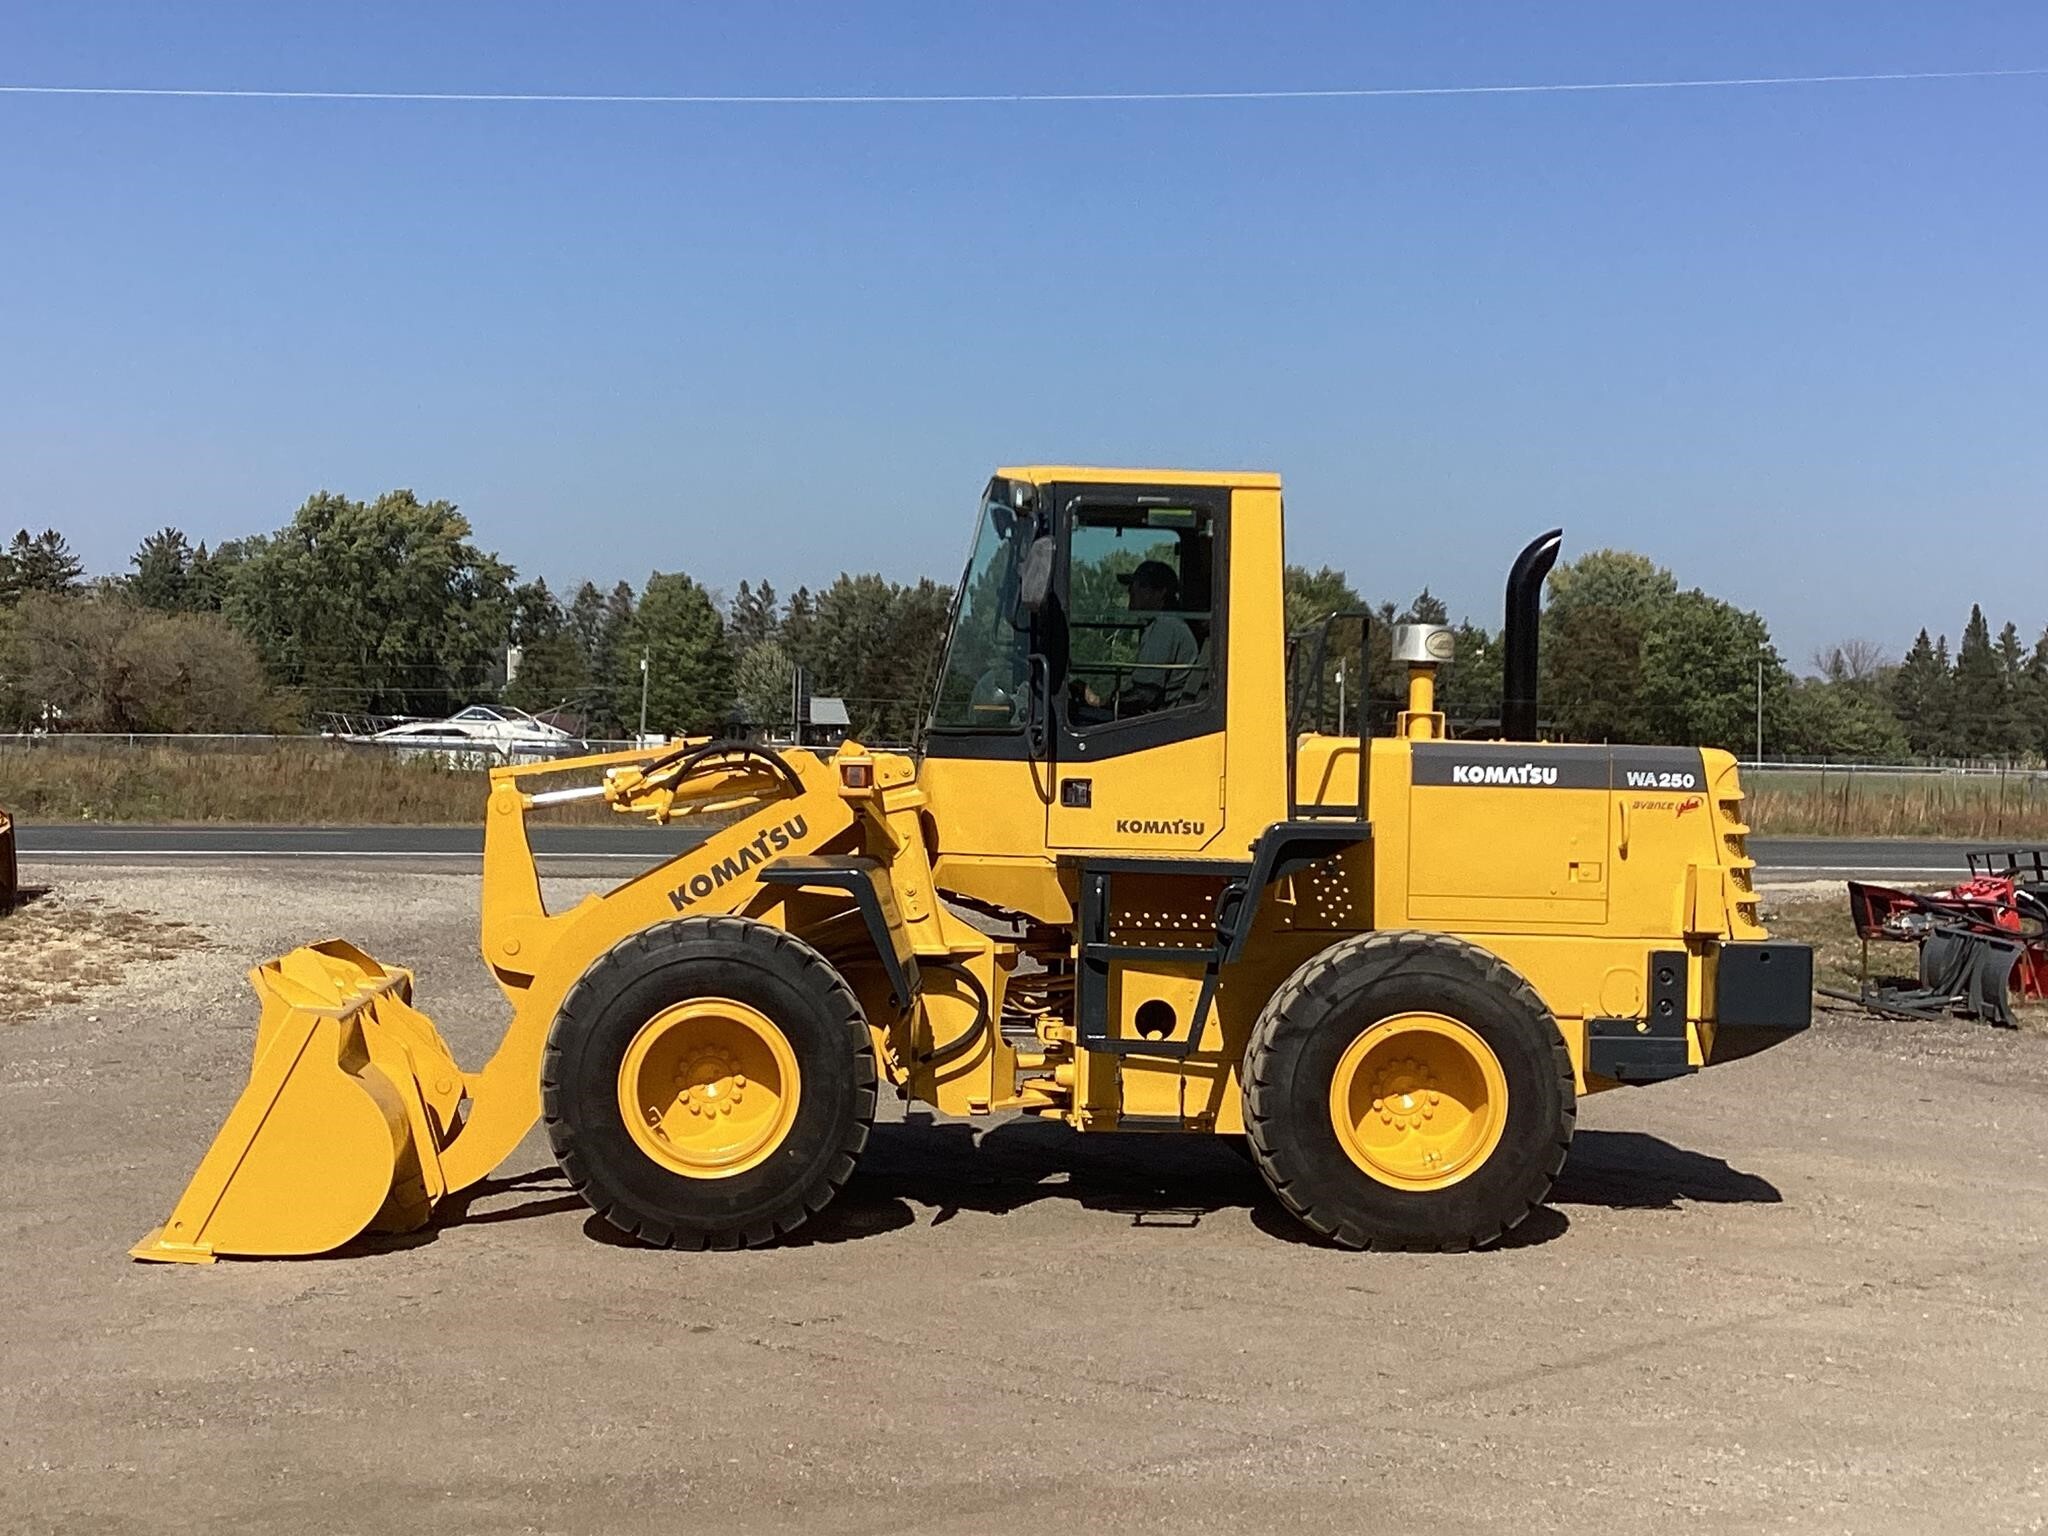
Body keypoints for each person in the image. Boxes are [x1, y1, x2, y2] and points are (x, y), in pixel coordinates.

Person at [1083, 559, 1201, 717]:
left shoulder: (1166, 627)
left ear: (1160, 592)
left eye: (1140, 586)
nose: (1131, 591)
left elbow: (1145, 696)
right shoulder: (1161, 625)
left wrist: (1099, 702)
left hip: (1158, 719)